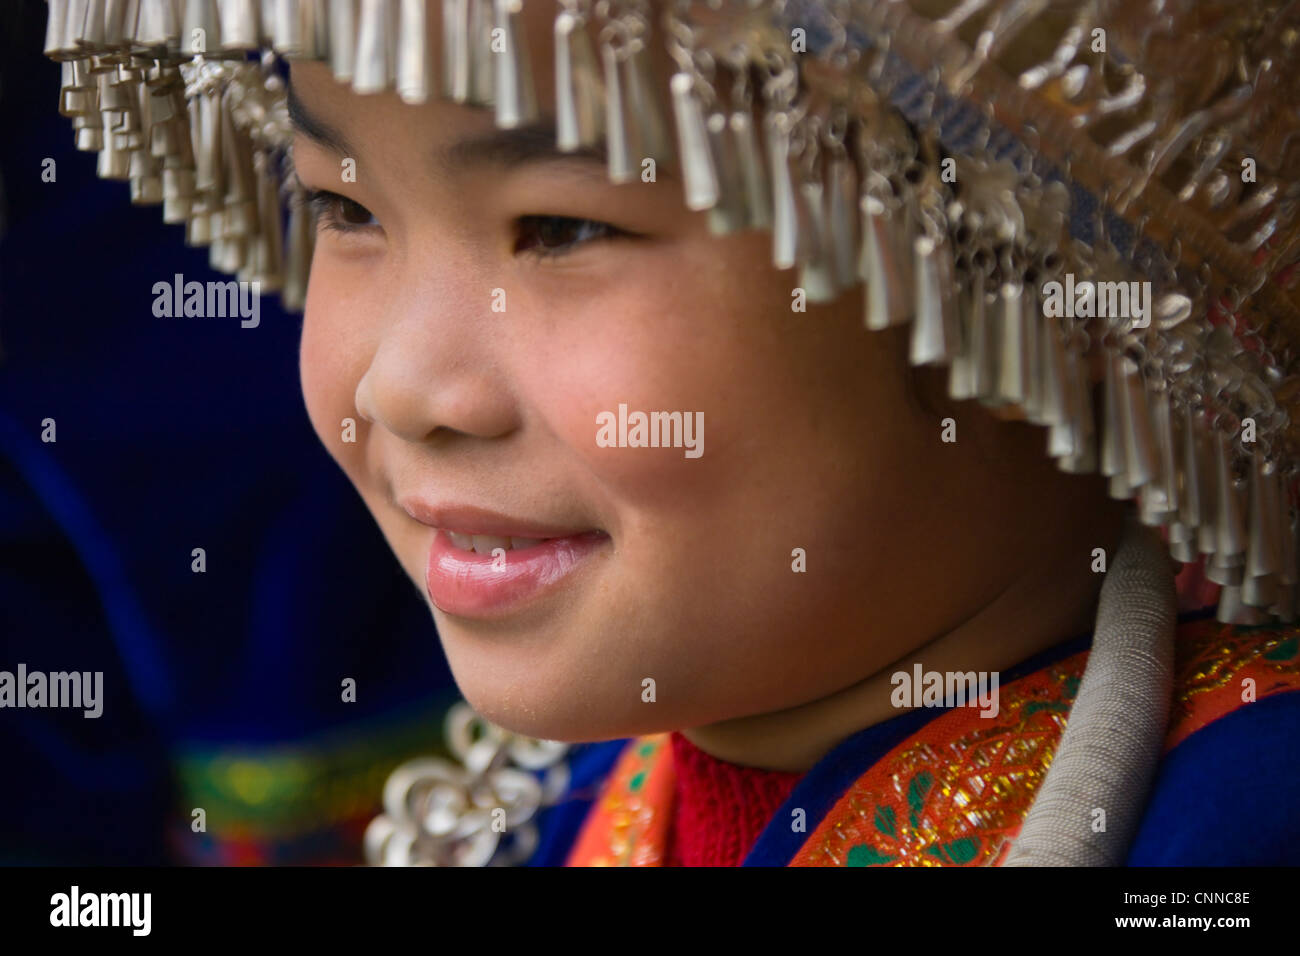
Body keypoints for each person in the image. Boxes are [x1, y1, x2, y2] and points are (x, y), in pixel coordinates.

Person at [39, 0, 1300, 866]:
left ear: (1013, 273)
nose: (405, 384)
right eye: (347, 207)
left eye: (563, 229)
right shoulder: (548, 803)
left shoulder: (1238, 820)